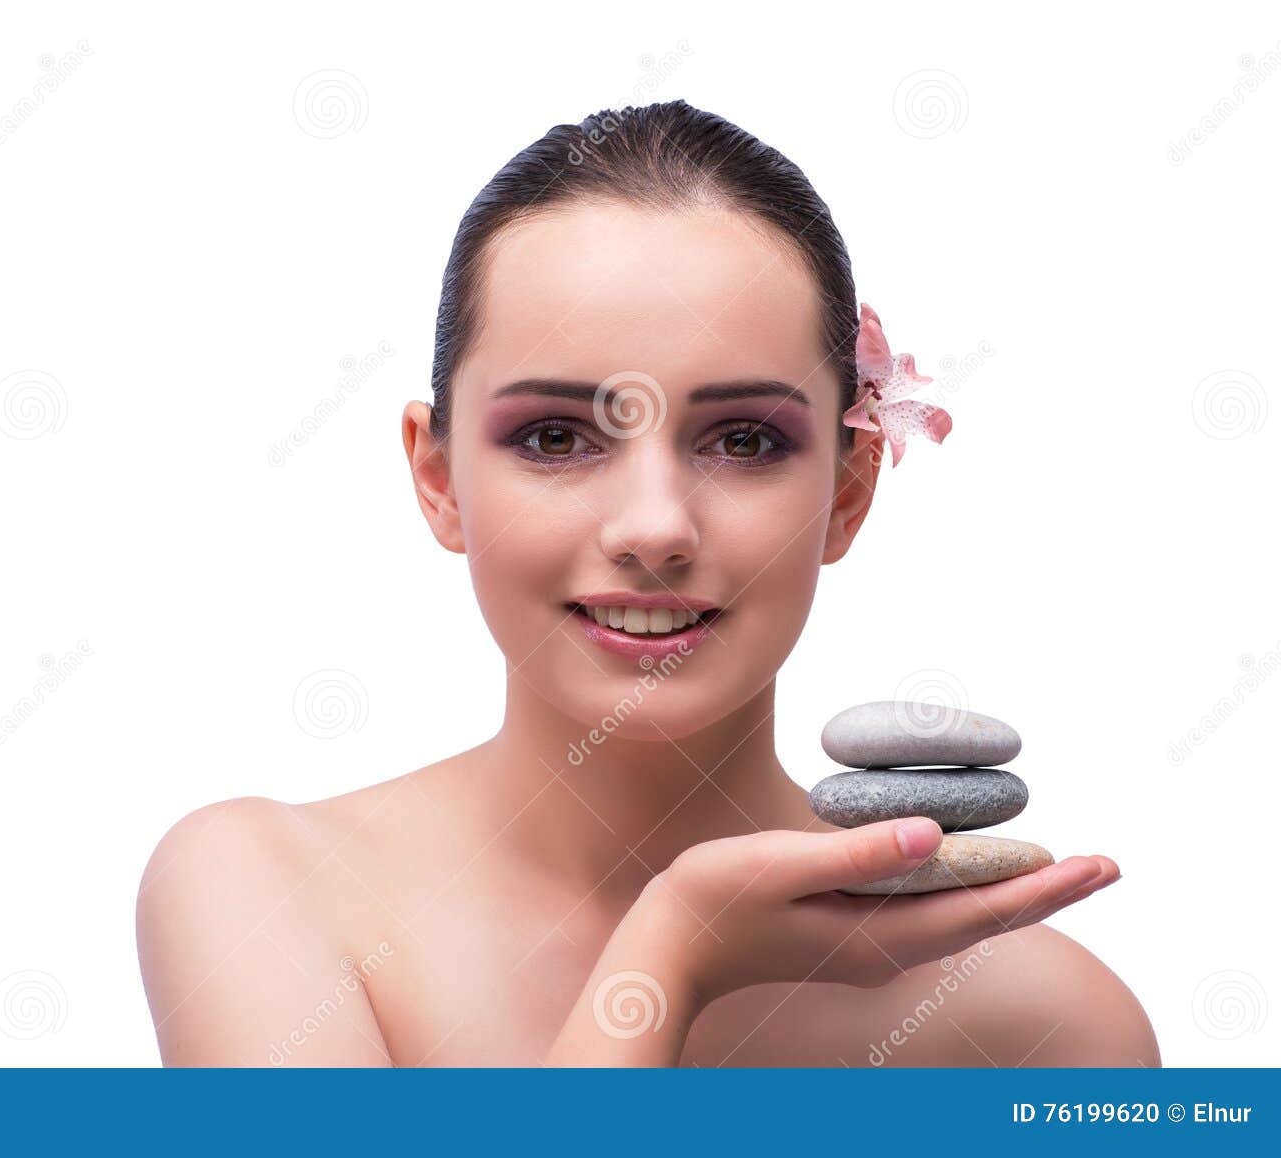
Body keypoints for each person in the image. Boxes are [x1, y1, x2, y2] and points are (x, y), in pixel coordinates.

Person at [135, 100, 1158, 1067]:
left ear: (848, 491)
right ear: (438, 478)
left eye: (743, 439)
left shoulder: (1041, 1026)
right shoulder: (264, 892)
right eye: (555, 436)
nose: (655, 528)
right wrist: (671, 950)